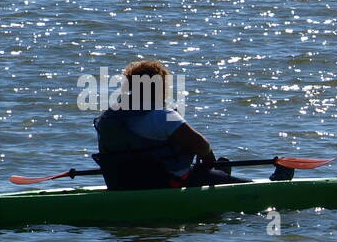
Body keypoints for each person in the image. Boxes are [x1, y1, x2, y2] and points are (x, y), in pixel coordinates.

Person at [93, 60, 248, 190]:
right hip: (168, 183)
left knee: (221, 169)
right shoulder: (162, 115)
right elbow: (201, 145)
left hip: (123, 184)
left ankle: (219, 172)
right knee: (236, 181)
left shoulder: (110, 117)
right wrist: (209, 161)